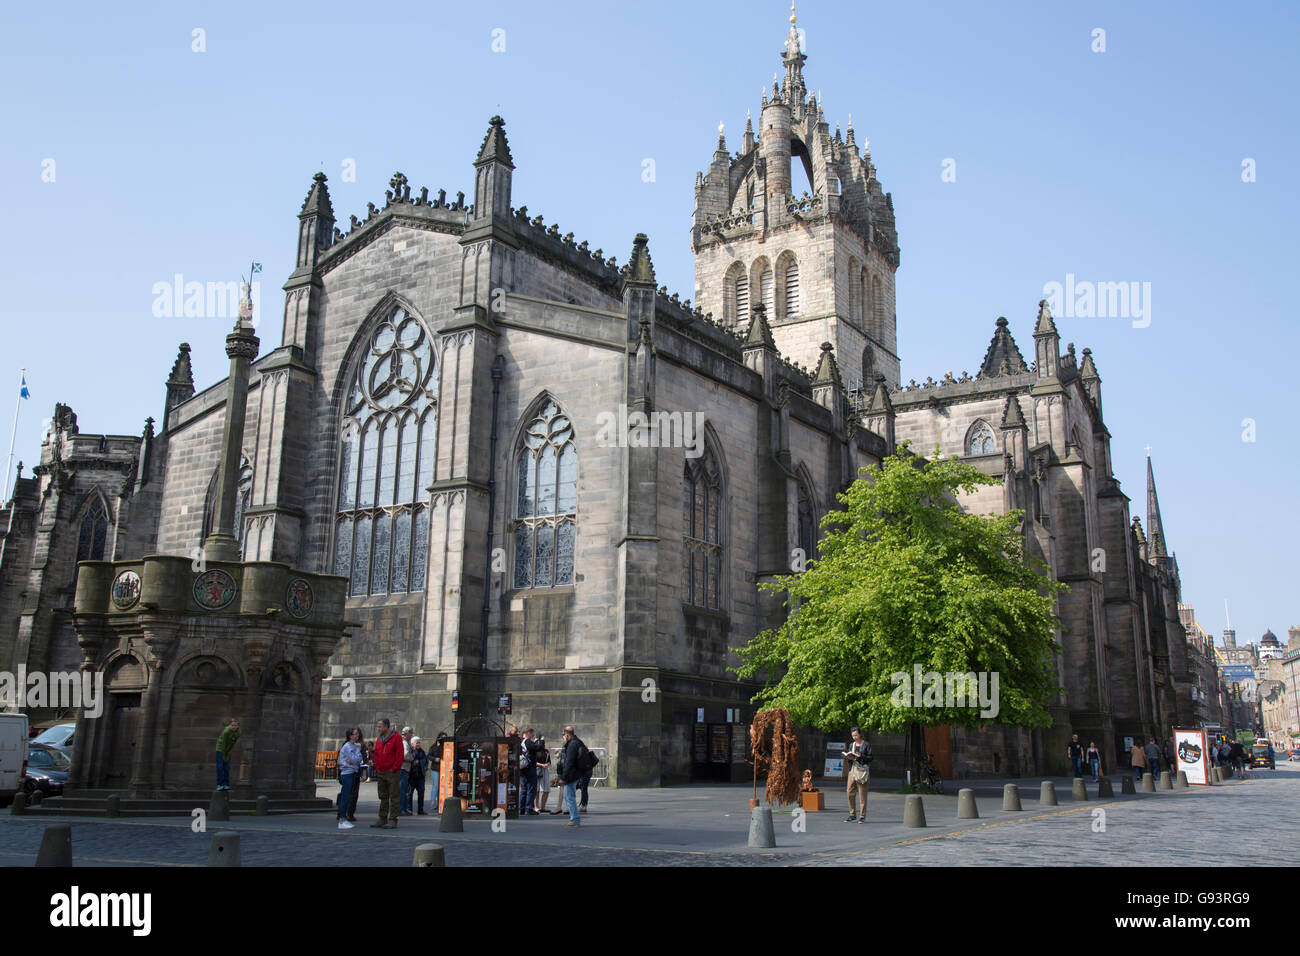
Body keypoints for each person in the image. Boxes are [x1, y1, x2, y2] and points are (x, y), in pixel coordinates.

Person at [370, 718, 404, 828]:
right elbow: (377, 753)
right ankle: (382, 818)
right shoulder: (379, 739)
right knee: (383, 796)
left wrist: (394, 768)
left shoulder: (396, 737)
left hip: (392, 771)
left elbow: (399, 754)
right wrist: (377, 767)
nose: (378, 729)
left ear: (386, 726)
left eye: (380, 727)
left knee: (394, 796)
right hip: (381, 770)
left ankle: (393, 819)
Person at [558, 725, 587, 827]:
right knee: (569, 796)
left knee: (569, 796)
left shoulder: (572, 744)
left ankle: (574, 819)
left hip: (571, 775)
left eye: (563, 735)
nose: (563, 737)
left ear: (567, 735)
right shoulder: (578, 742)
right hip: (577, 773)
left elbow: (569, 762)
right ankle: (574, 818)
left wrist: (563, 777)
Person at [844, 727, 871, 823]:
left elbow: (870, 758)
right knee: (849, 791)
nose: (854, 737)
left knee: (862, 794)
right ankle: (852, 814)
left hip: (862, 771)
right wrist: (849, 757)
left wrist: (861, 756)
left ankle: (862, 816)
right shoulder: (852, 745)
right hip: (853, 770)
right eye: (852, 735)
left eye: (855, 735)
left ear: (860, 734)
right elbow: (851, 756)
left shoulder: (866, 745)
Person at [337, 727, 363, 829]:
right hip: (347, 772)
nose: (357, 736)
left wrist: (355, 758)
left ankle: (343, 818)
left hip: (352, 771)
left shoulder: (355, 746)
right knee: (345, 796)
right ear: (350, 736)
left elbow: (358, 759)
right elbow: (354, 759)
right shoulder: (348, 746)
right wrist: (354, 759)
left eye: (357, 734)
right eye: (355, 734)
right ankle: (342, 819)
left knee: (347, 795)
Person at [518, 727, 539, 816]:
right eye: (532, 733)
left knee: (523, 788)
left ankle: (521, 808)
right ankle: (529, 808)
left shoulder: (519, 741)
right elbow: (537, 748)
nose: (533, 735)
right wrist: (541, 741)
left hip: (522, 767)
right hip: (529, 767)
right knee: (531, 788)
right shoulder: (527, 741)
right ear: (528, 733)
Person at [215, 718, 240, 791]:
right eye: (232, 725)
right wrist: (224, 756)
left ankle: (226, 784)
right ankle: (219, 784)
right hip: (220, 749)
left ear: (238, 726)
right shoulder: (226, 732)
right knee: (220, 767)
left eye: (235, 725)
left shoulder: (238, 733)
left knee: (226, 767)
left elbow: (232, 743)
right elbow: (223, 745)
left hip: (228, 750)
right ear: (230, 725)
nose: (233, 727)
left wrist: (228, 752)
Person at [409, 736, 428, 814]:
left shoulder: (422, 752)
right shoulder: (410, 751)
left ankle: (420, 810)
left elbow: (426, 761)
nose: (418, 744)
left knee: (421, 793)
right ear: (412, 743)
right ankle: (409, 809)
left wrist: (422, 765)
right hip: (412, 776)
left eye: (419, 742)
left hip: (420, 776)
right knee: (410, 793)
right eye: (417, 742)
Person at [534, 734, 552, 813]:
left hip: (545, 770)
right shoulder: (535, 751)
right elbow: (533, 762)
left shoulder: (546, 751)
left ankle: (543, 807)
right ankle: (536, 806)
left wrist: (546, 765)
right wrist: (541, 765)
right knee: (537, 790)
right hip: (537, 770)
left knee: (546, 790)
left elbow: (549, 761)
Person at [399, 726, 414, 815]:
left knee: (404, 790)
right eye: (410, 733)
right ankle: (401, 809)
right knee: (402, 790)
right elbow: (405, 755)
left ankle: (403, 808)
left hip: (405, 768)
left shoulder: (406, 742)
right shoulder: (404, 743)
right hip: (403, 768)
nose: (411, 735)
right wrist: (412, 757)